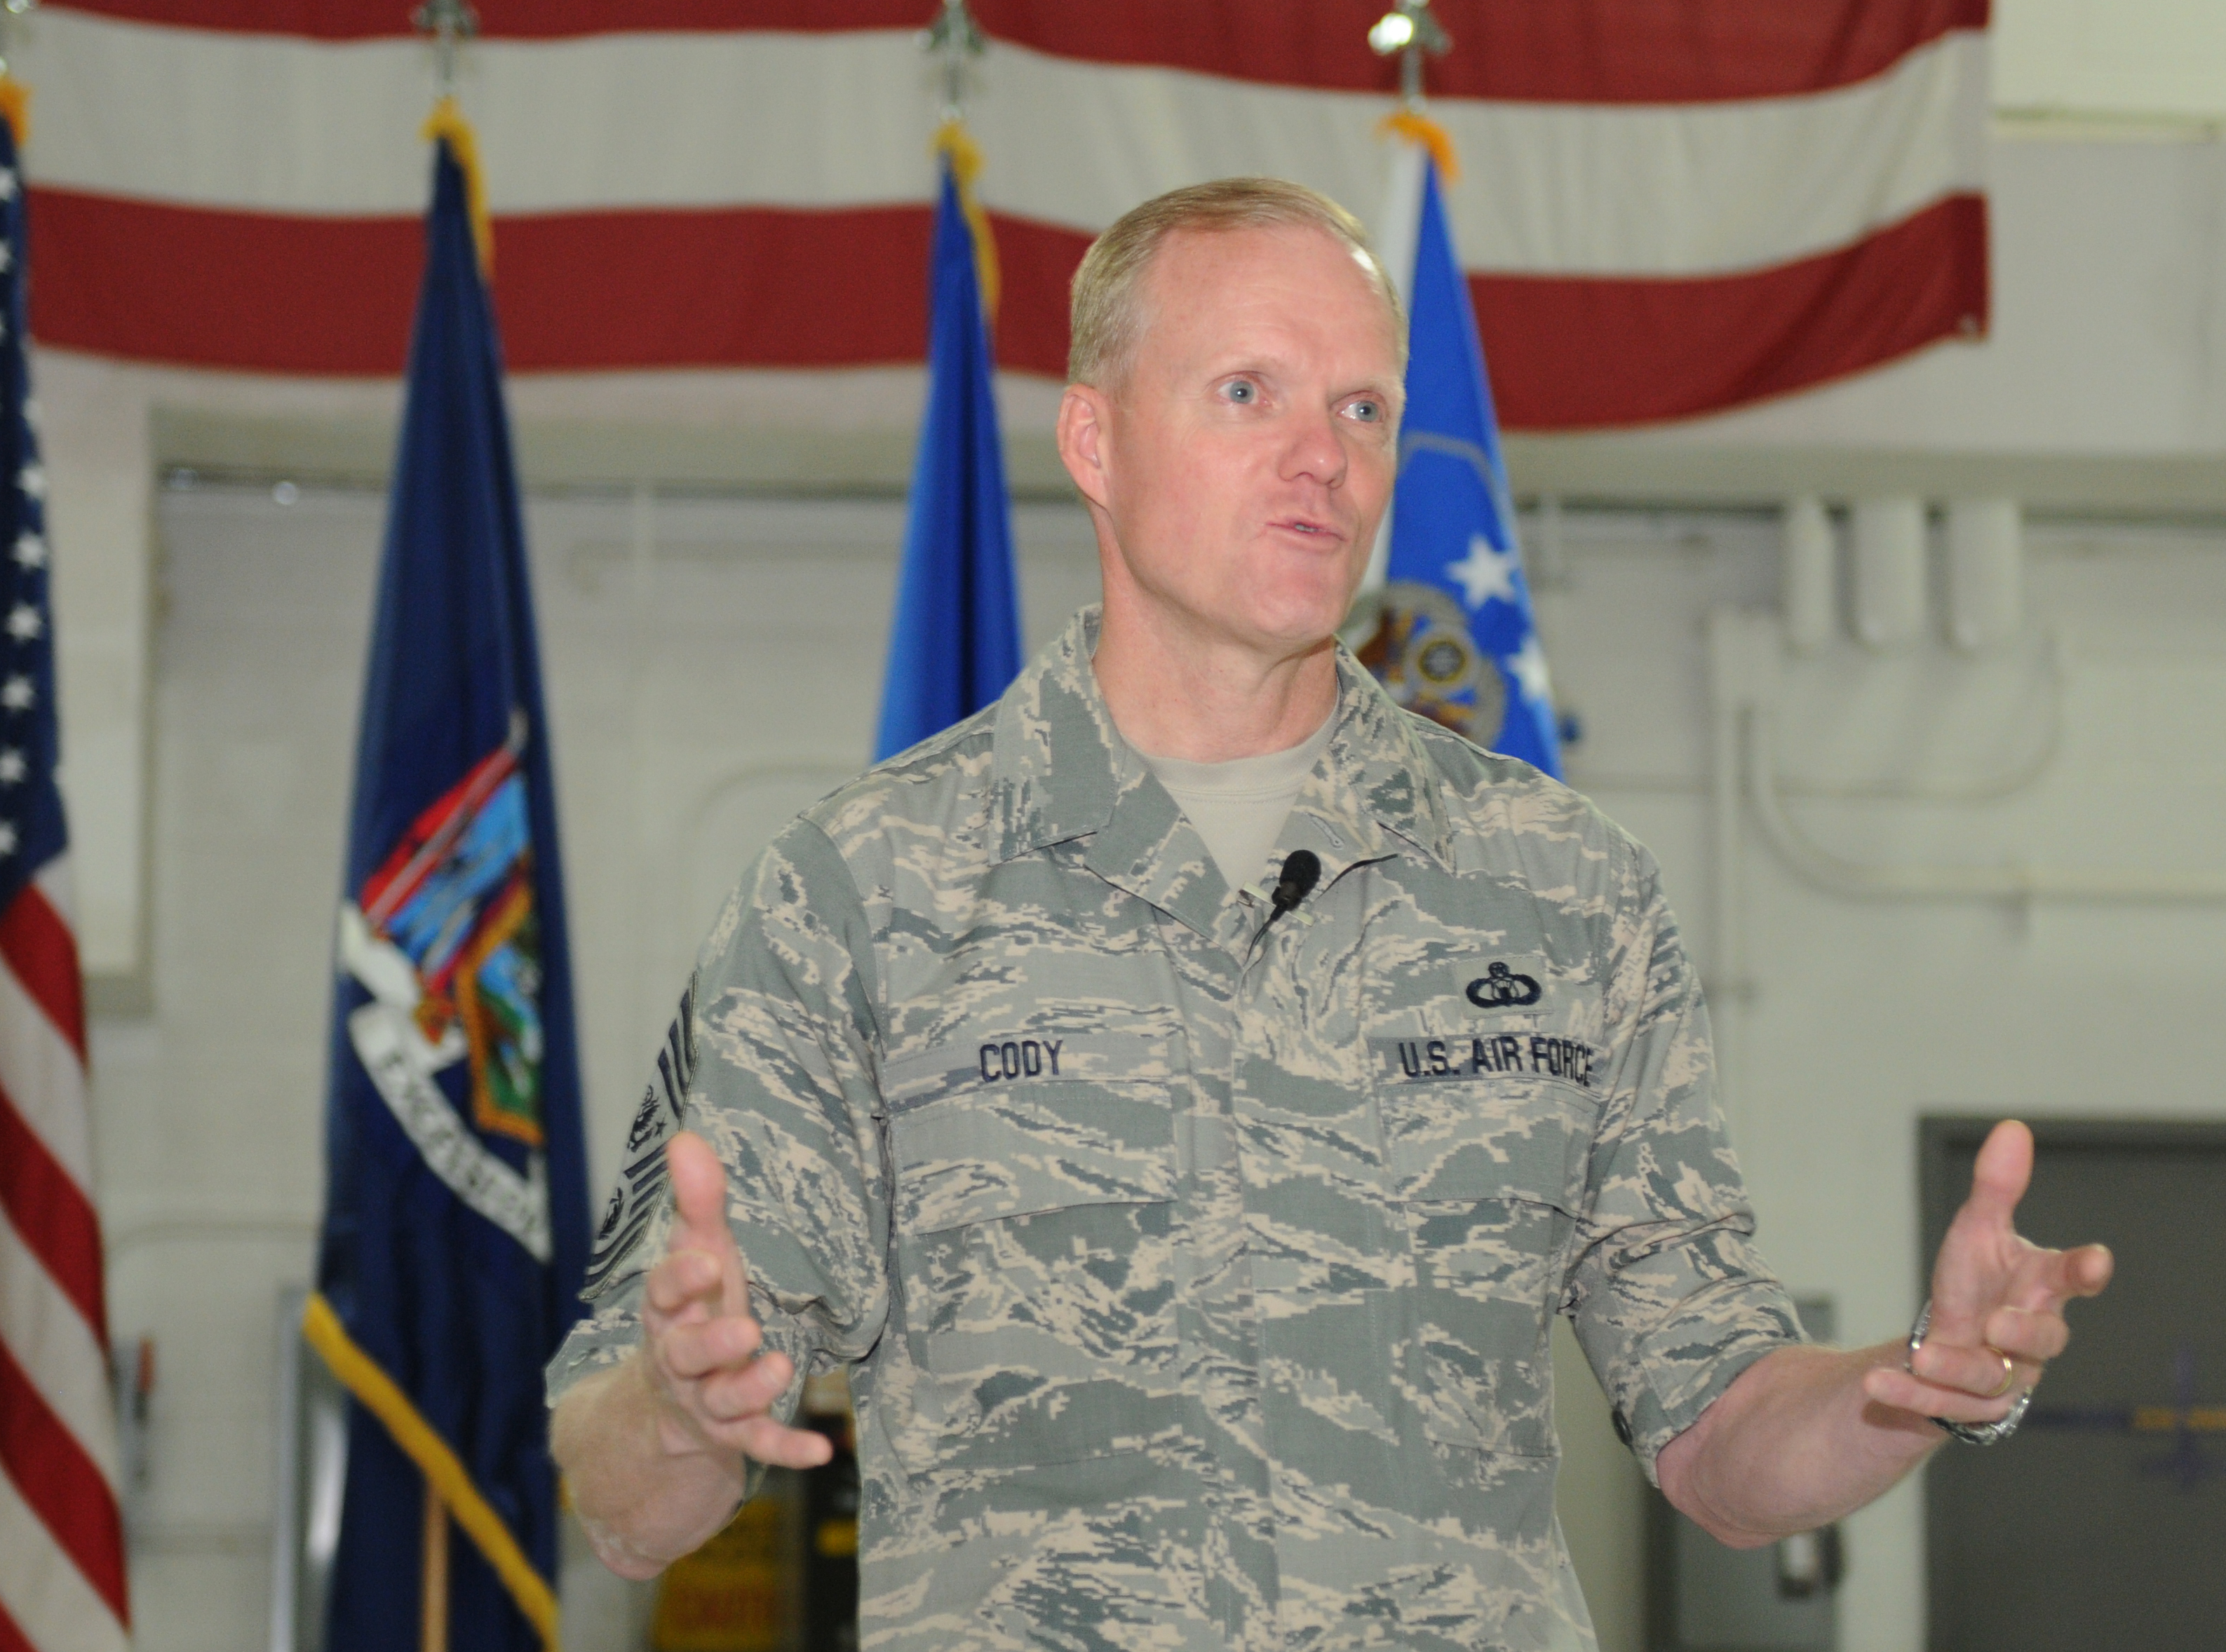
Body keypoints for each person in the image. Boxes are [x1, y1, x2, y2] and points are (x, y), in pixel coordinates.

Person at [547, 179, 2111, 1651]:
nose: (1324, 456)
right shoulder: (862, 889)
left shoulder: (1561, 891)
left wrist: (1912, 1385)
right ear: (1093, 439)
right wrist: (679, 1409)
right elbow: (623, 1504)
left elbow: (1713, 1429)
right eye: (1248, 393)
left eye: (1361, 407)